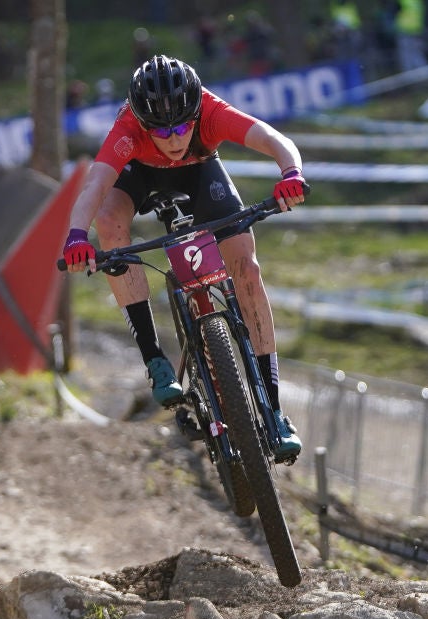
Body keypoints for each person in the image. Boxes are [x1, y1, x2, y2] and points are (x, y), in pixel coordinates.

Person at [60, 55, 306, 462]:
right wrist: (75, 237)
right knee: (109, 221)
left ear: (196, 114)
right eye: (161, 130)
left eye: (182, 126)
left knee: (247, 268)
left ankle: (275, 411)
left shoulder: (210, 111)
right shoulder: (128, 129)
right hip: (139, 175)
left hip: (200, 171)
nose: (173, 138)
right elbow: (96, 184)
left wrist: (291, 173)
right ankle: (155, 360)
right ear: (143, 124)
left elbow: (272, 139)